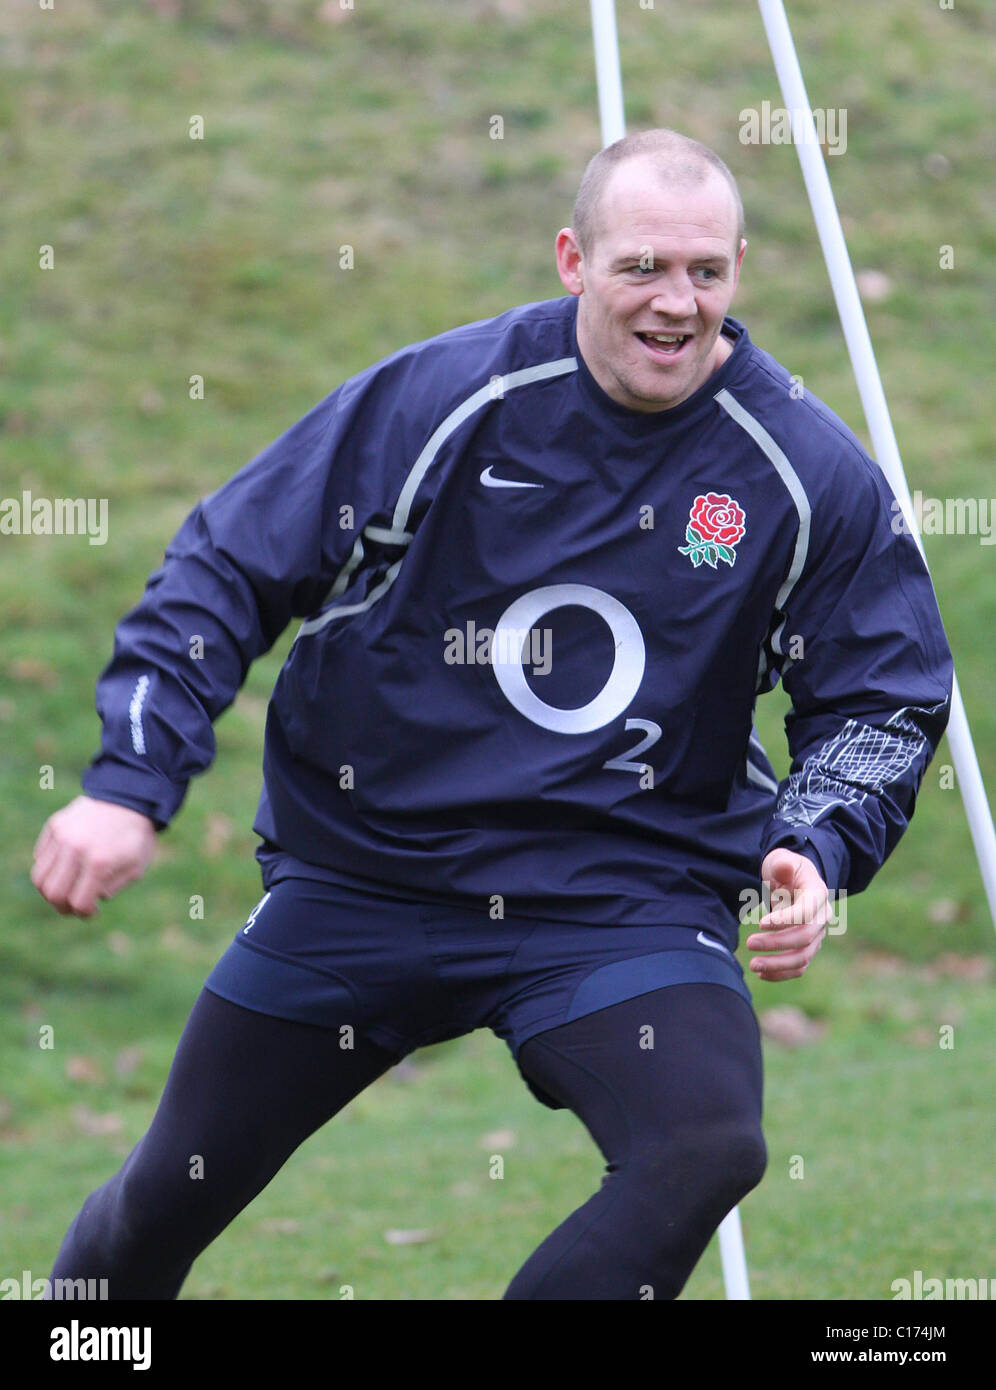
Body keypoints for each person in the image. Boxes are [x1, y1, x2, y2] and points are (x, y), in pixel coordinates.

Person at [32, 128, 953, 1300]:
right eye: (642, 269)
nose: (678, 303)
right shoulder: (447, 398)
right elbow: (228, 562)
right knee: (166, 1199)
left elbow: (882, 694)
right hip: (374, 877)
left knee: (705, 1144)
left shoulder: (803, 469)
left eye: (707, 272)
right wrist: (129, 782)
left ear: (737, 272)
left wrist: (814, 845)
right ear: (573, 258)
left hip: (623, 895)